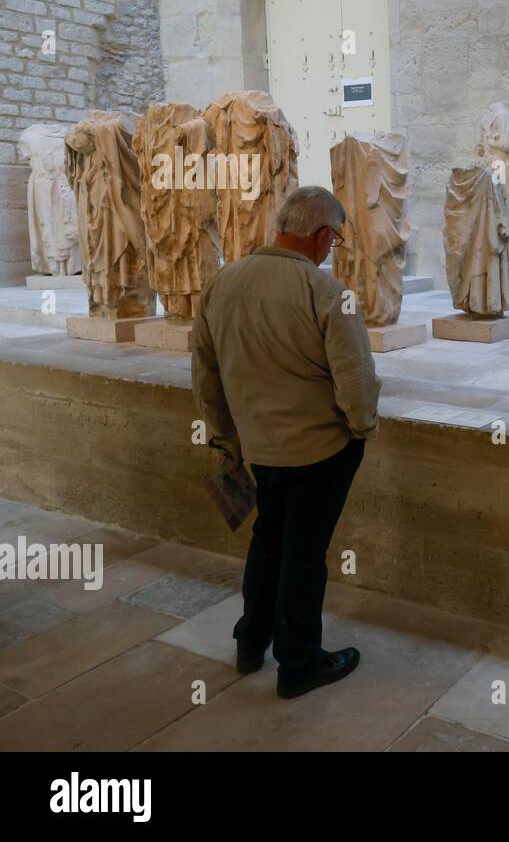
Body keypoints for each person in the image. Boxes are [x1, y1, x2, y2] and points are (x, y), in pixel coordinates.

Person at [191, 186, 381, 699]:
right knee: (304, 555)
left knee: (267, 541)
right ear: (322, 235)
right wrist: (361, 429)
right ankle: (299, 663)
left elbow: (206, 376)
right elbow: (355, 381)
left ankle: (251, 642)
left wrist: (226, 441)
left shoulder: (221, 282)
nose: (332, 249)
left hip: (259, 448)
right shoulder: (325, 291)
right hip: (320, 451)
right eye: (335, 240)